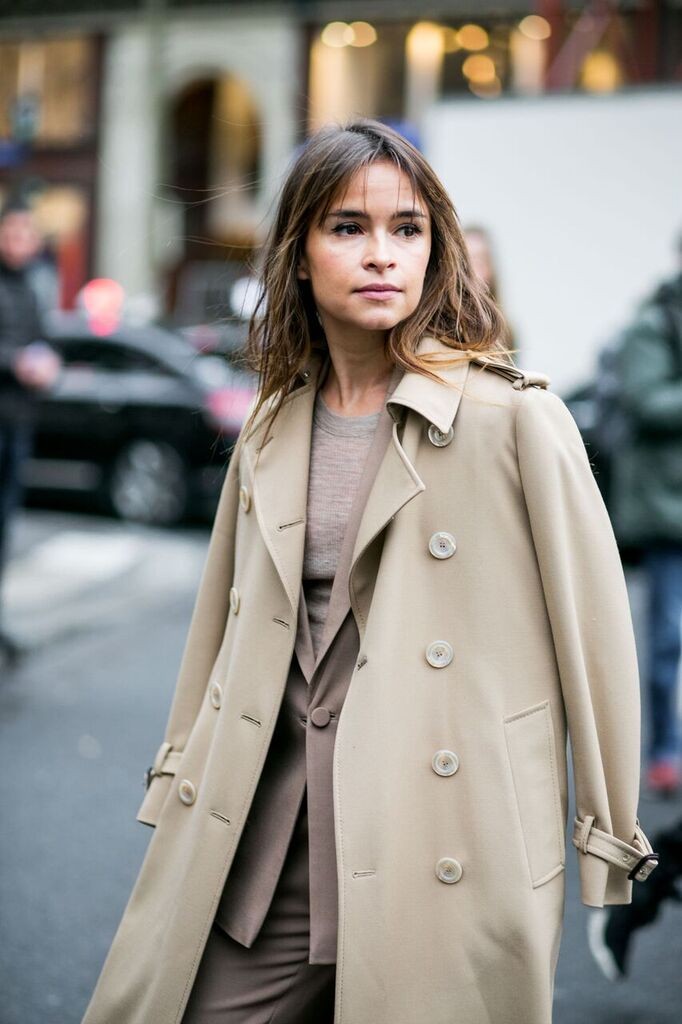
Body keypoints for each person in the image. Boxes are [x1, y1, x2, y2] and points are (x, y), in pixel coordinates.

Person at [82, 120, 658, 1024]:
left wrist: (609, 833)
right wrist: (178, 767)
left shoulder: (512, 421)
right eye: (348, 227)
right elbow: (222, 626)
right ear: (298, 256)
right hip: (270, 833)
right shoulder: (272, 425)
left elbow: (597, 641)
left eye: (407, 228)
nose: (382, 253)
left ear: (436, 251)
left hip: (443, 835)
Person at [608, 254, 682, 796]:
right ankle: (664, 751)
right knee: (666, 636)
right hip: (666, 510)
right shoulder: (651, 327)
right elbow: (646, 402)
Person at [0, 199, 59, 665]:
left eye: (27, 233)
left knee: (5, 528)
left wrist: (48, 362)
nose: (21, 241)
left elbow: (44, 339)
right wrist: (15, 361)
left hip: (18, 423)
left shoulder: (33, 286)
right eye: (12, 232)